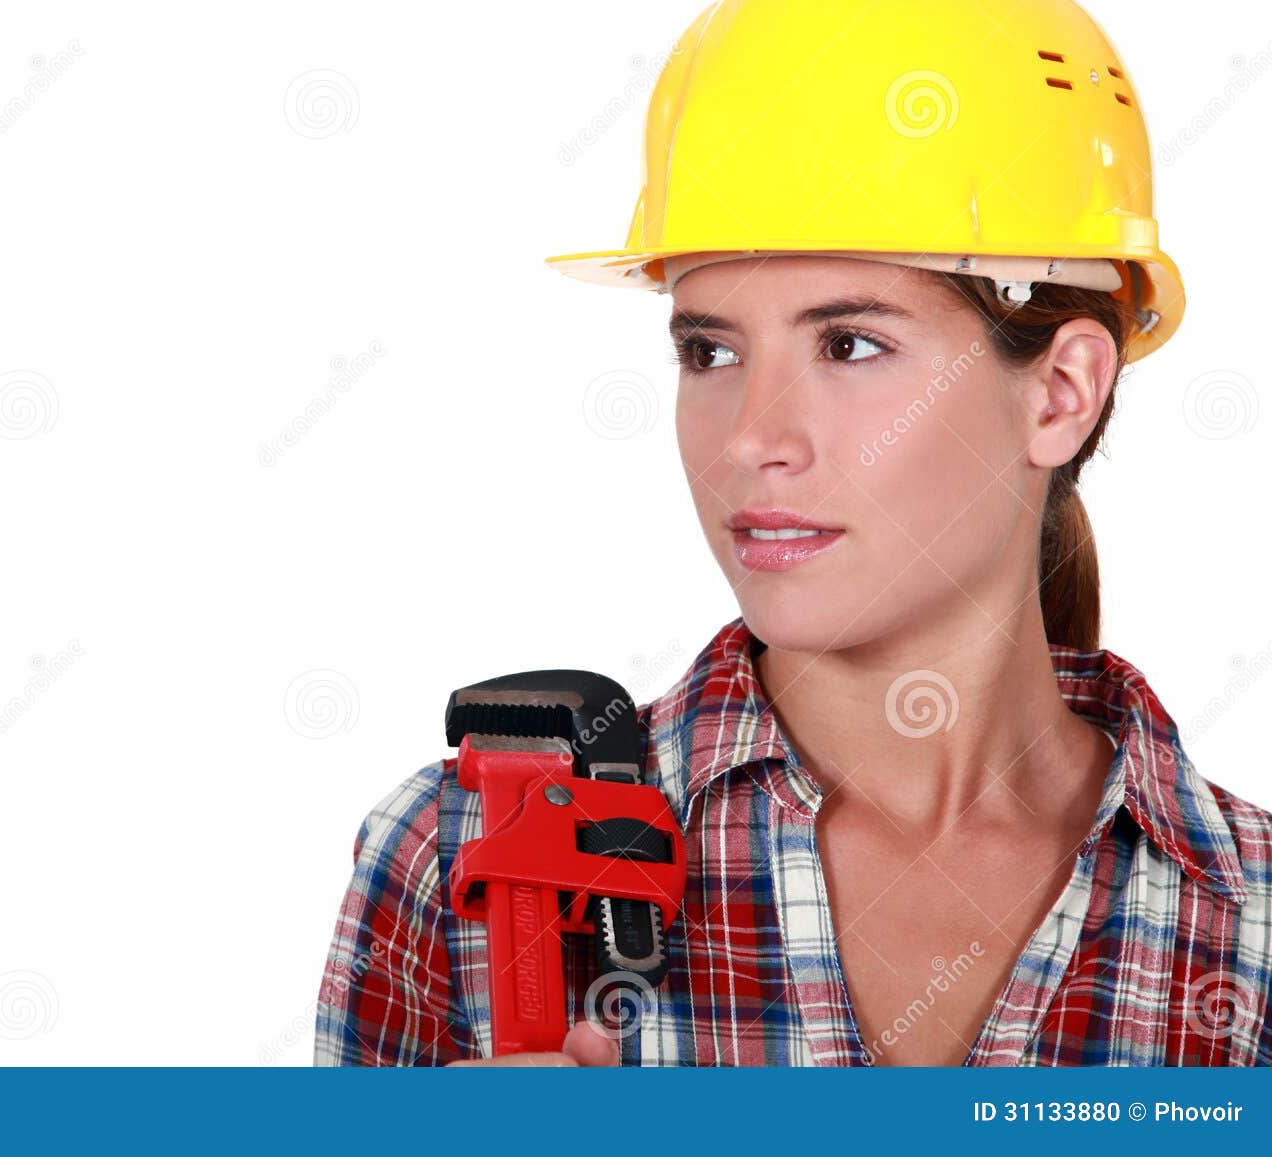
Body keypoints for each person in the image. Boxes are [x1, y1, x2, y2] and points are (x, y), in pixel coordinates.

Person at [312, 0, 1272, 1066]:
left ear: (1058, 391)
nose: (752, 439)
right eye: (709, 353)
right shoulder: (468, 857)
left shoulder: (1249, 922)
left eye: (850, 343)